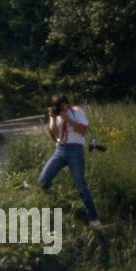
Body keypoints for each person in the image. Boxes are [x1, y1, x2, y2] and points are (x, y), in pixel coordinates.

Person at [38, 93, 103, 229]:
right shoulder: (56, 115)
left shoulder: (77, 111)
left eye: (63, 105)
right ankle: (58, 204)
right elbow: (54, 133)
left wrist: (68, 119)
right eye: (58, 106)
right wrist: (52, 117)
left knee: (80, 185)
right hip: (60, 149)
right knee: (43, 180)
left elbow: (83, 130)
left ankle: (94, 219)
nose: (61, 108)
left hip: (75, 150)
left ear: (67, 103)